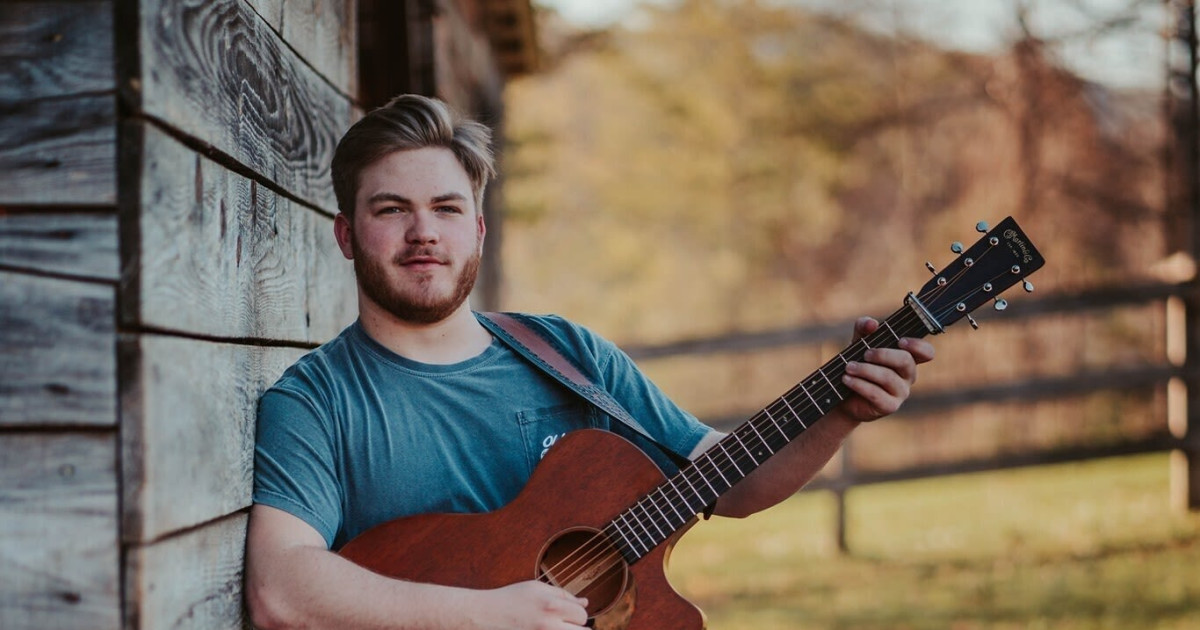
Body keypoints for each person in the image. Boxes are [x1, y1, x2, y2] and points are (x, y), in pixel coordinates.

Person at [244, 94, 934, 630]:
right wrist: (485, 615)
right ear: (345, 233)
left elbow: (725, 482)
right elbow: (281, 590)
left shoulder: (565, 356)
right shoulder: (314, 401)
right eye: (392, 209)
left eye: (447, 209)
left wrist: (841, 414)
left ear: (477, 230)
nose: (424, 232)